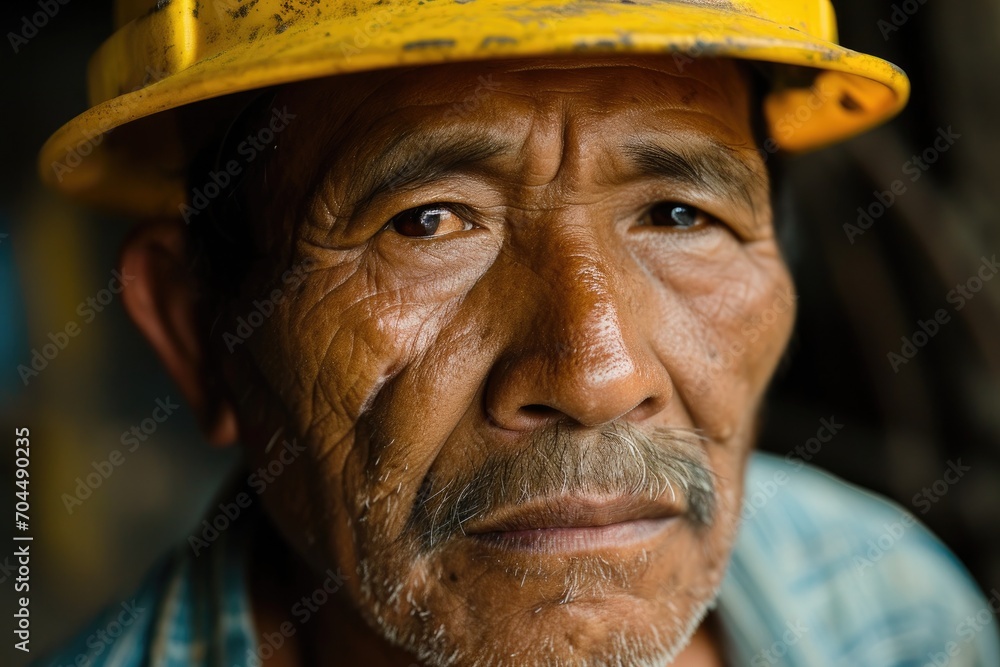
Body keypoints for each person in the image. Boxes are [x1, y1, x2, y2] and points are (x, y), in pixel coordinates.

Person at [35, 0, 1000, 665]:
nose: (598, 373)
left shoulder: (896, 613)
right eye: (427, 221)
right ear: (199, 328)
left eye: (677, 214)